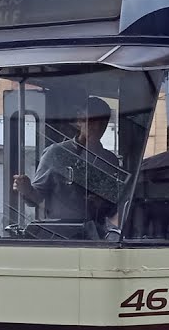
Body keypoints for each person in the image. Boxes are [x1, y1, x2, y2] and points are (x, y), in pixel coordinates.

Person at [12, 97, 125, 238]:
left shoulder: (110, 160)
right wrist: (27, 189)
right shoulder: (57, 153)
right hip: (62, 235)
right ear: (80, 120)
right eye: (92, 121)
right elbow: (37, 197)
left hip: (97, 235)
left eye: (103, 122)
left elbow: (115, 207)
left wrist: (102, 203)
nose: (97, 127)